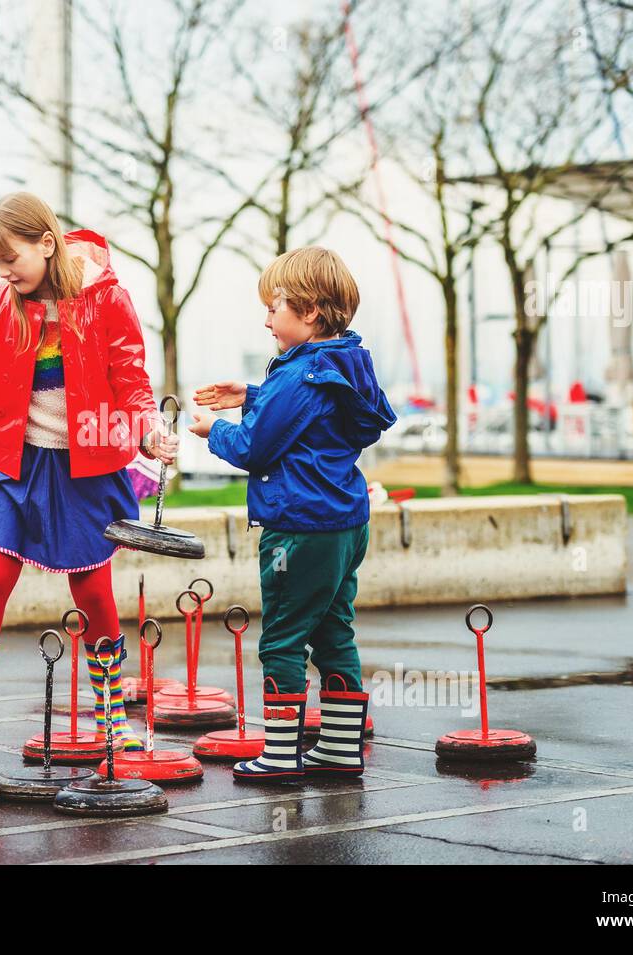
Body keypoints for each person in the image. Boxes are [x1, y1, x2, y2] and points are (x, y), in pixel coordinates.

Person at [0, 191, 178, 755]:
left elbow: (131, 376)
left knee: (91, 588)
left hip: (85, 465)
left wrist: (148, 429)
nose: (3, 272)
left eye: (10, 259)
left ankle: (112, 720)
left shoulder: (106, 297)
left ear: (47, 243)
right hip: (12, 462)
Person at [189, 246, 395, 780]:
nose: (266, 319)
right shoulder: (346, 362)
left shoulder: (300, 372)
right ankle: (340, 748)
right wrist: (253, 393)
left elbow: (257, 448)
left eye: (275, 306)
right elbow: (313, 418)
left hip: (298, 528)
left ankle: (280, 755)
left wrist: (216, 431)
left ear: (311, 311)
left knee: (281, 637)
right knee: (333, 633)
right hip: (345, 523)